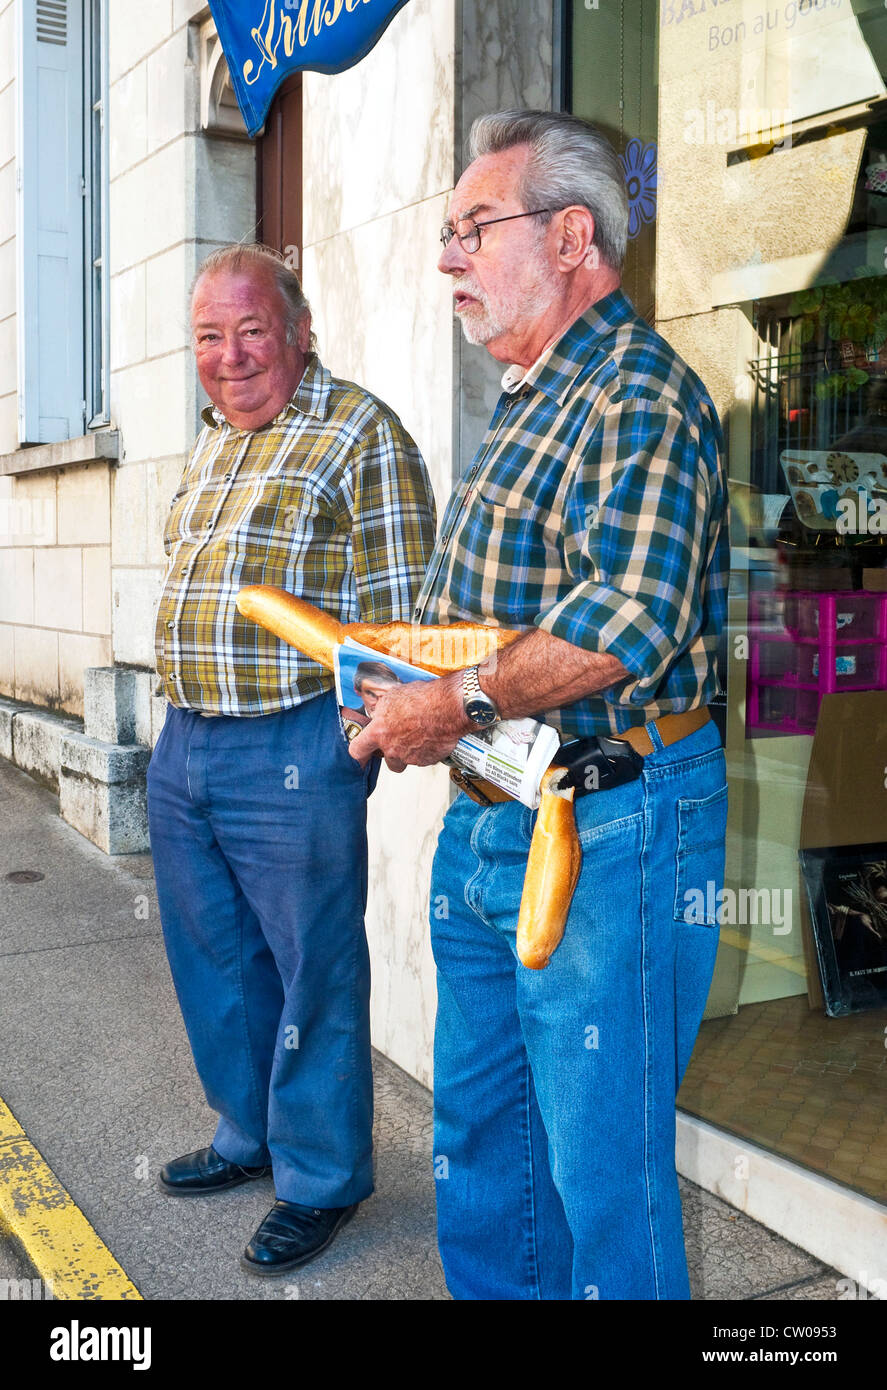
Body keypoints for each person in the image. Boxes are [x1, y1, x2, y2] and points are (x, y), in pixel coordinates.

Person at [350, 110, 729, 1300]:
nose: (448, 257)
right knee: (485, 1151)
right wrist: (405, 686)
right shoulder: (530, 395)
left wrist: (449, 701)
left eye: (472, 228)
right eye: (446, 231)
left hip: (608, 820)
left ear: (572, 237)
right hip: (495, 809)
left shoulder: (637, 391)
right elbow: (504, 617)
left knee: (602, 1177)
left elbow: (628, 621)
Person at [146, 243, 436, 1275]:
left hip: (289, 742)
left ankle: (319, 1176)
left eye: (251, 330)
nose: (229, 358)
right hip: (185, 741)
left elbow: (399, 617)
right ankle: (246, 1133)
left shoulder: (358, 432)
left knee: (312, 967)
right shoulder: (212, 444)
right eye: (209, 338)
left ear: (299, 331)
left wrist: (356, 740)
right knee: (214, 961)